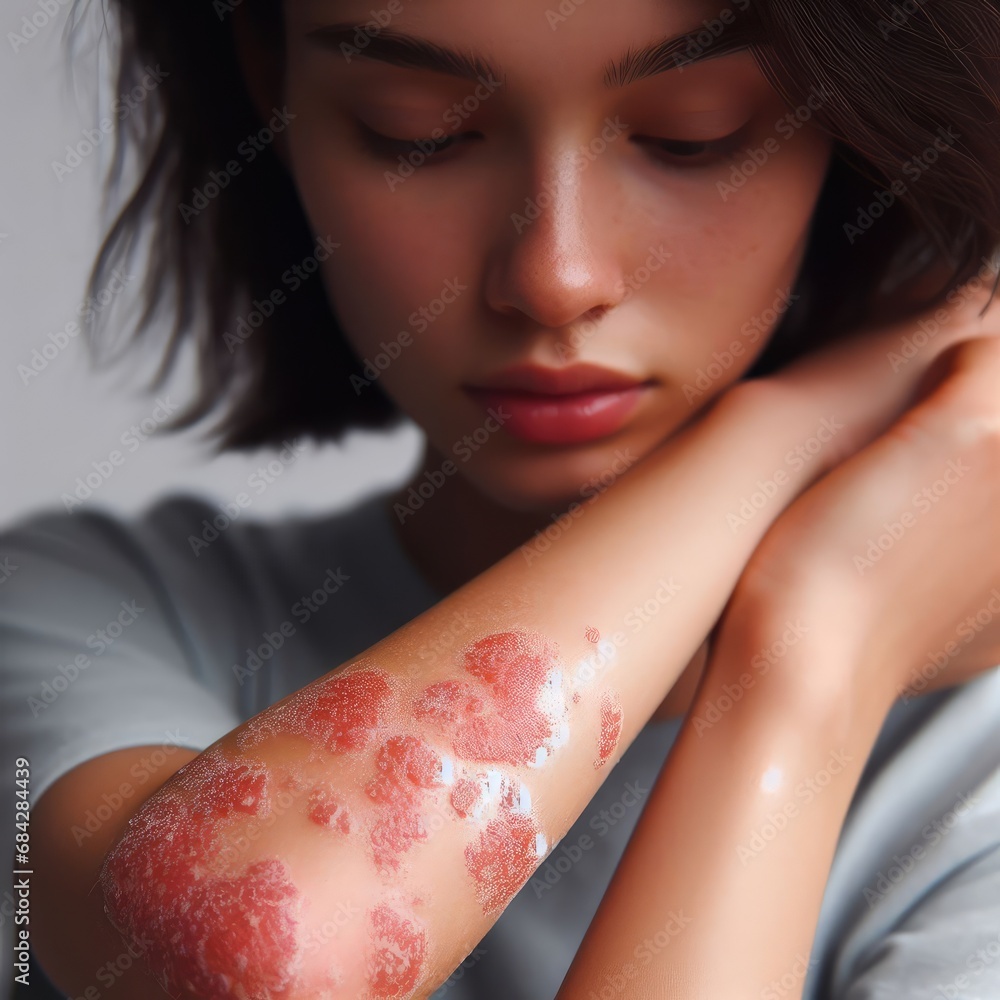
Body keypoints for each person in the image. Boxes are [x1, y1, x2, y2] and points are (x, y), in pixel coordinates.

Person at [2, 0, 1000, 997]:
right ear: (277, 93)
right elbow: (263, 951)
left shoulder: (975, 770)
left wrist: (812, 663)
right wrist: (793, 437)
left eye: (691, 132)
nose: (555, 275)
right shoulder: (86, 613)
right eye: (416, 131)